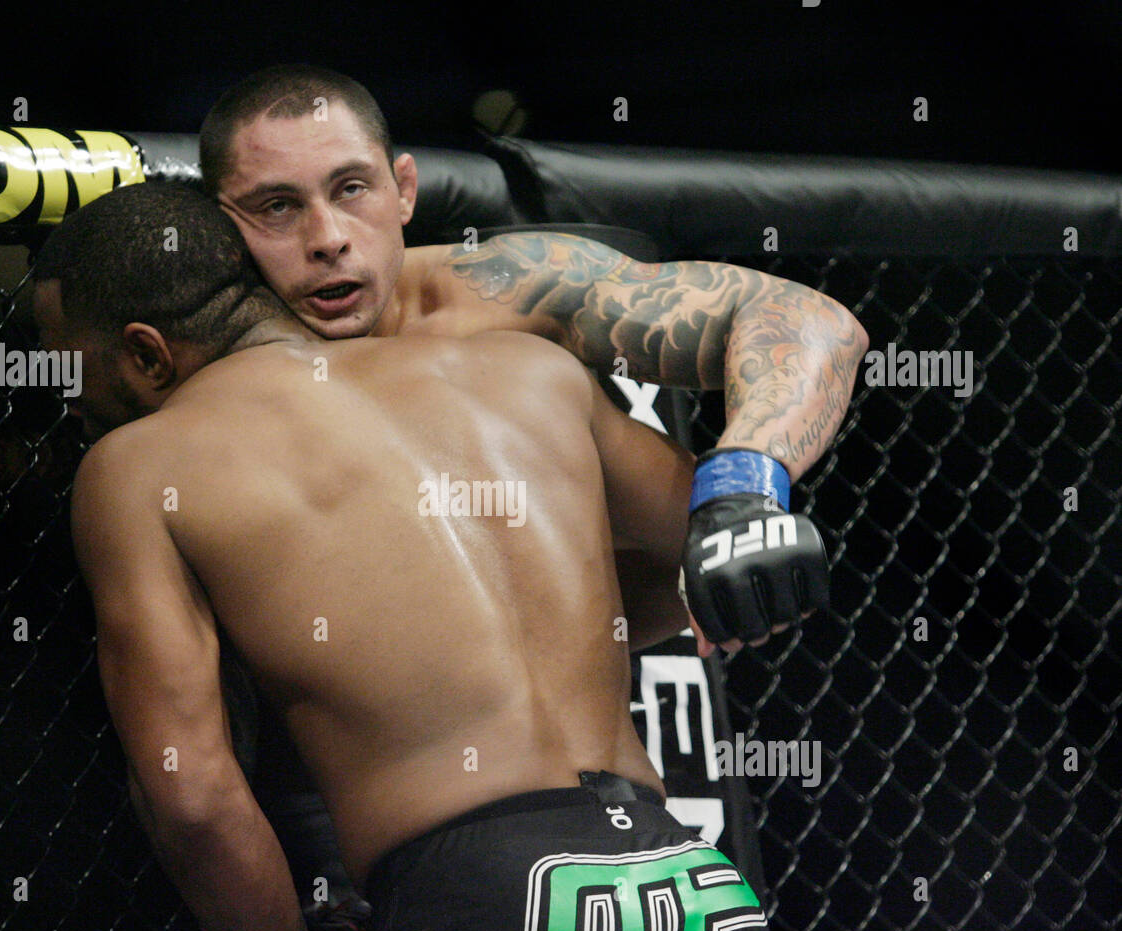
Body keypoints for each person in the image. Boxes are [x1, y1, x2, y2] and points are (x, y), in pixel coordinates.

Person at [32, 181, 787, 931]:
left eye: (71, 369)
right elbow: (719, 553)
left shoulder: (139, 466)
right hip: (687, 889)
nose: (67, 403)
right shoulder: (529, 370)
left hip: (481, 906)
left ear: (146, 353)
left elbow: (193, 794)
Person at [200, 63, 869, 658]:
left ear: (403, 189)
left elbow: (811, 322)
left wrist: (740, 491)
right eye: (278, 207)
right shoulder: (192, 355)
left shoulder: (505, 291)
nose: (328, 239)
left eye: (351, 188)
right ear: (219, 224)